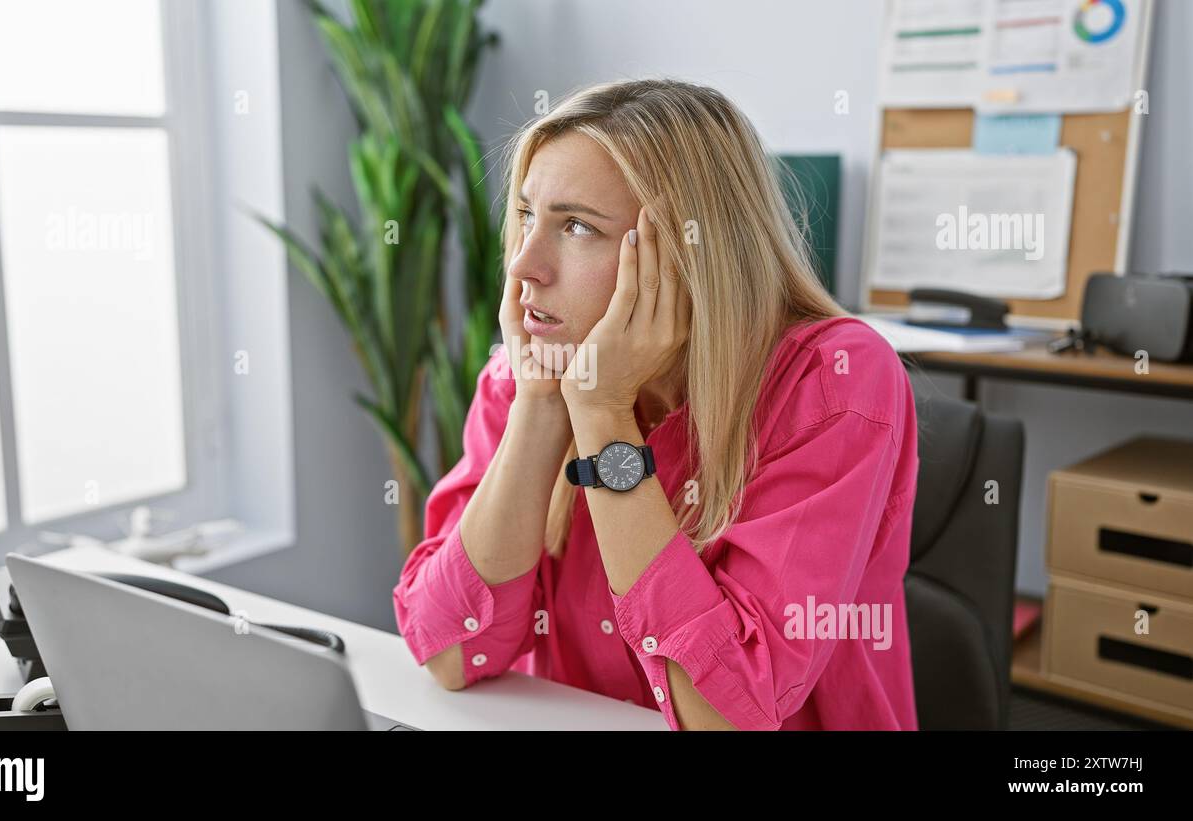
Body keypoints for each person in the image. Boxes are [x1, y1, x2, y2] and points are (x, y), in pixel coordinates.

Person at [393, 78, 919, 730]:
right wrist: (541, 405)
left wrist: (605, 415)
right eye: (527, 216)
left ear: (682, 254)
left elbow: (724, 715)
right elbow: (449, 651)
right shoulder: (528, 371)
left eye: (576, 226)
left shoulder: (836, 382)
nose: (524, 265)